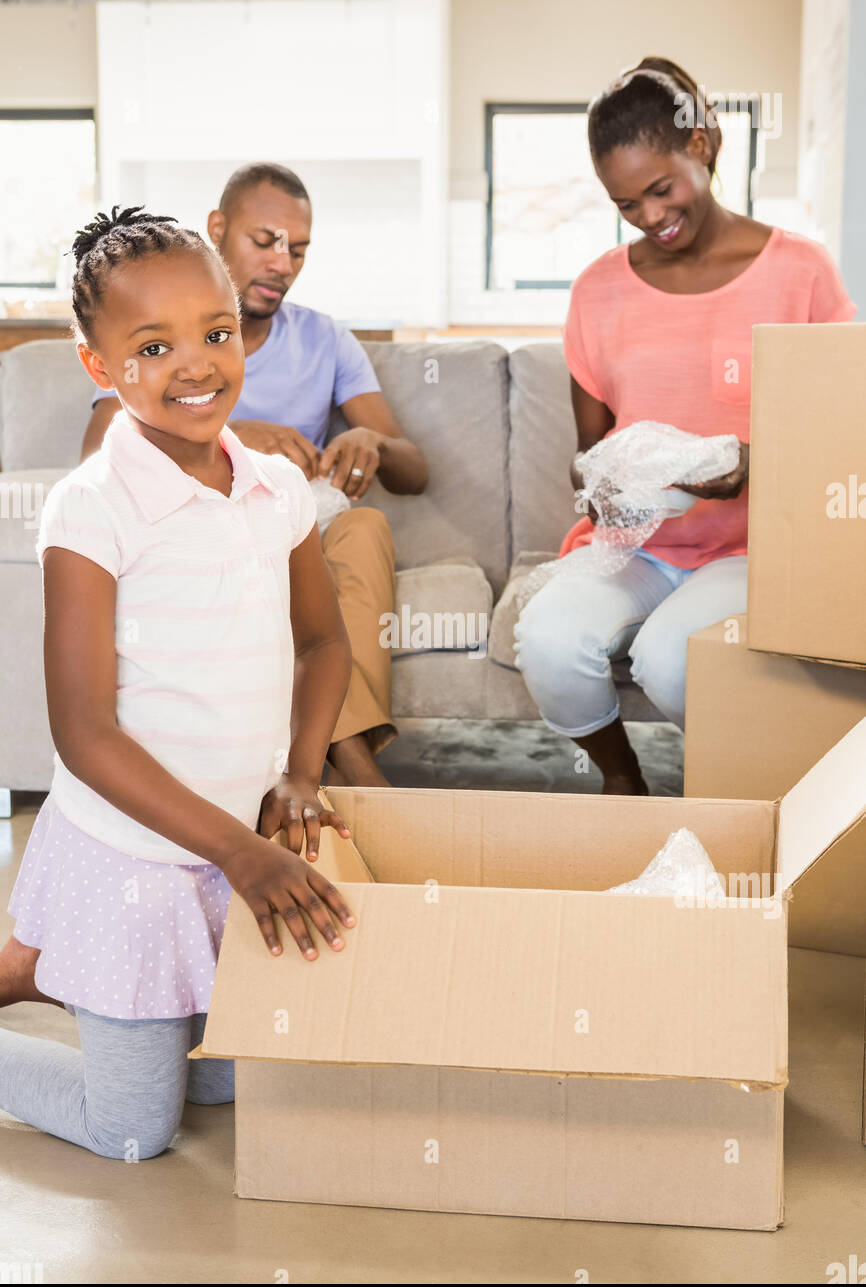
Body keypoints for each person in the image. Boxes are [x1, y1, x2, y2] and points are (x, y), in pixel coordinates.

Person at [0, 206, 359, 1159]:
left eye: (215, 333)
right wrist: (242, 858)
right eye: (152, 347)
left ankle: (52, 972)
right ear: (99, 368)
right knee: (135, 1131)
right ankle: (56, 965)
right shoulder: (90, 510)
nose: (197, 366)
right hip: (132, 860)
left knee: (235, 1083)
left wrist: (303, 776)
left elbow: (324, 645)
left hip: (234, 846)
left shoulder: (278, 489)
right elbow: (85, 736)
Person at [513, 57, 855, 794]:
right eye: (626, 204)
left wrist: (754, 464)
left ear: (699, 145)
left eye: (659, 189)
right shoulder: (599, 289)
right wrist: (602, 484)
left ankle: (773, 788)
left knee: (671, 661)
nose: (649, 217)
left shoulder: (800, 271)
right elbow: (587, 451)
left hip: (750, 544)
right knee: (546, 638)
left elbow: (843, 431)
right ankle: (623, 779)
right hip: (638, 542)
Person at [81, 163, 429, 788]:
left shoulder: (326, 340)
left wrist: (369, 438)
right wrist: (237, 438)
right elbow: (96, 458)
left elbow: (416, 472)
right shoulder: (158, 336)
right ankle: (351, 762)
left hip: (303, 532)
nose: (282, 262)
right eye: (263, 241)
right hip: (210, 535)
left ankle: (324, 756)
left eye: (297, 249)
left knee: (367, 526)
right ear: (218, 229)